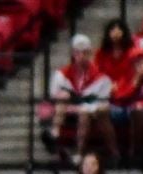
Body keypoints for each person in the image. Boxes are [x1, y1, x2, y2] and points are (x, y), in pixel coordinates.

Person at [46, 34, 115, 164]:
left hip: (92, 109)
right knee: (62, 98)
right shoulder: (62, 73)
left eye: (85, 52)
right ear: (73, 53)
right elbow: (54, 95)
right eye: (77, 52)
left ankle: (79, 152)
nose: (81, 56)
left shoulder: (99, 75)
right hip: (69, 108)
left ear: (90, 53)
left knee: (84, 112)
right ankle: (55, 135)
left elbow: (102, 98)